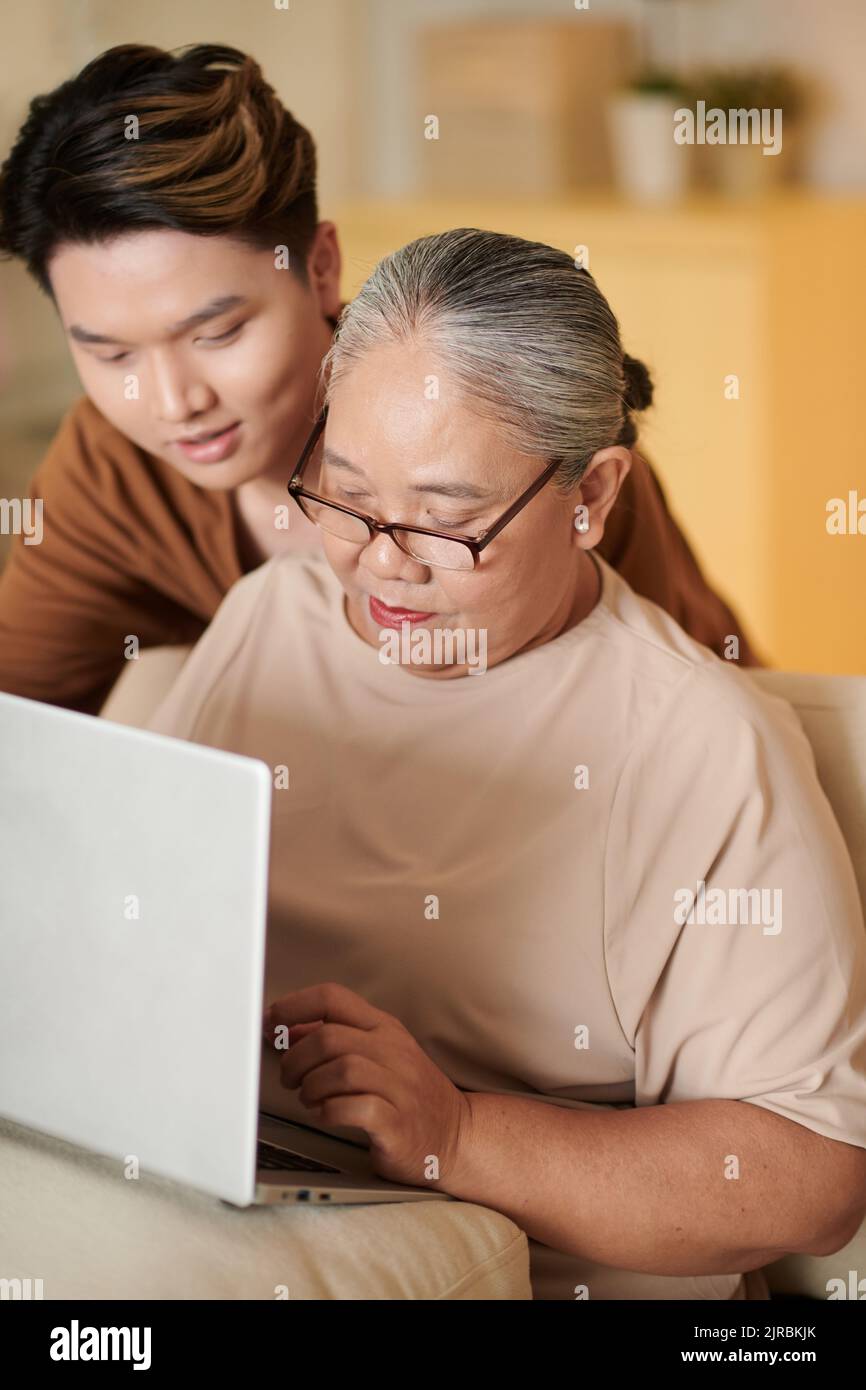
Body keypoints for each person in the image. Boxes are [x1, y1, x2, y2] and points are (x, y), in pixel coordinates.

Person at [146, 228, 866, 1301]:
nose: (381, 562)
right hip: (220, 1206)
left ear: (592, 495)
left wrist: (458, 1133)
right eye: (343, 493)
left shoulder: (695, 744)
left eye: (447, 520)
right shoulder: (271, 619)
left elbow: (806, 1175)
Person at [0, 42, 760, 716]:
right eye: (110, 355)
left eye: (219, 333)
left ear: (321, 267)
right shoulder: (109, 469)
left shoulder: (508, 439)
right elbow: (21, 716)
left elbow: (700, 714)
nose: (174, 403)